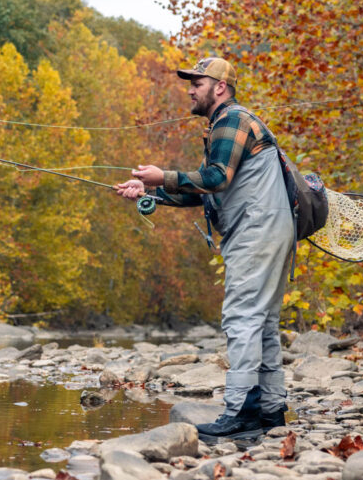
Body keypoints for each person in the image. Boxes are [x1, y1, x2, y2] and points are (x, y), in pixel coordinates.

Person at [114, 57, 293, 441]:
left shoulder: (233, 120)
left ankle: (241, 411)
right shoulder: (225, 127)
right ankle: (271, 411)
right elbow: (205, 194)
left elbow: (214, 178)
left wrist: (163, 174)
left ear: (220, 88)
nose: (190, 89)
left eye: (197, 82)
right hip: (272, 231)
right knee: (262, 322)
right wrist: (150, 192)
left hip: (256, 232)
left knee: (242, 317)